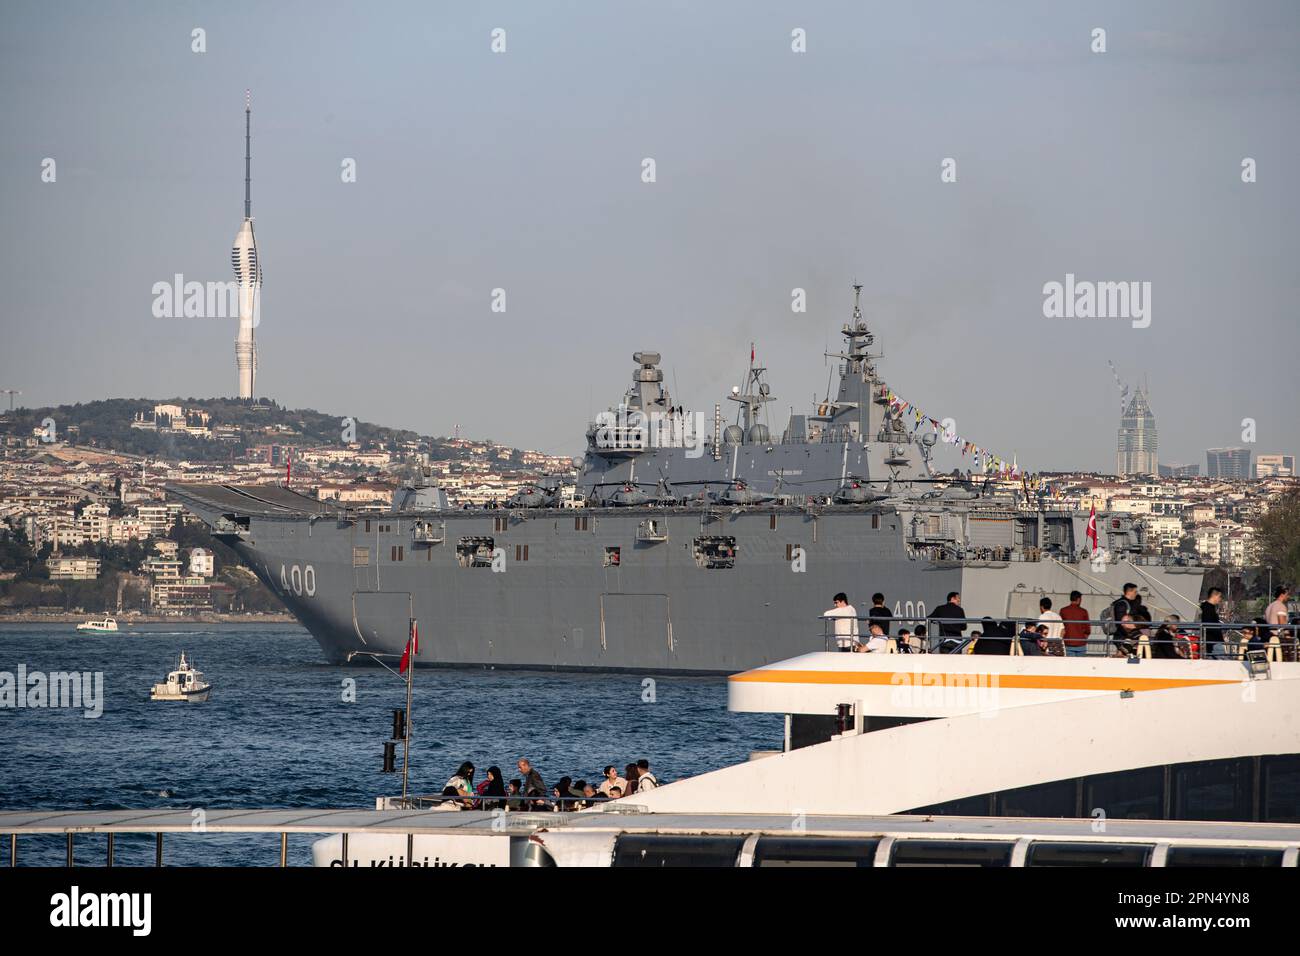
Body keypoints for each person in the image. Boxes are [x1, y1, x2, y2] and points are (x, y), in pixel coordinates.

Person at [1265, 586, 1293, 661]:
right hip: (1278, 637)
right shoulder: (1281, 606)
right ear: (1282, 595)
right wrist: (1288, 636)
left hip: (1269, 636)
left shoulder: (1270, 606)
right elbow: (1282, 625)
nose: (1288, 596)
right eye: (1287, 594)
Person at [1059, 591, 1091, 657]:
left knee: (1070, 665)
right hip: (1081, 643)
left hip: (1068, 643)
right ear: (1078, 599)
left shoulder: (1063, 611)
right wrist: (1083, 638)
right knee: (1080, 665)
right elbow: (1088, 630)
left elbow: (1061, 627)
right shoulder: (1083, 612)